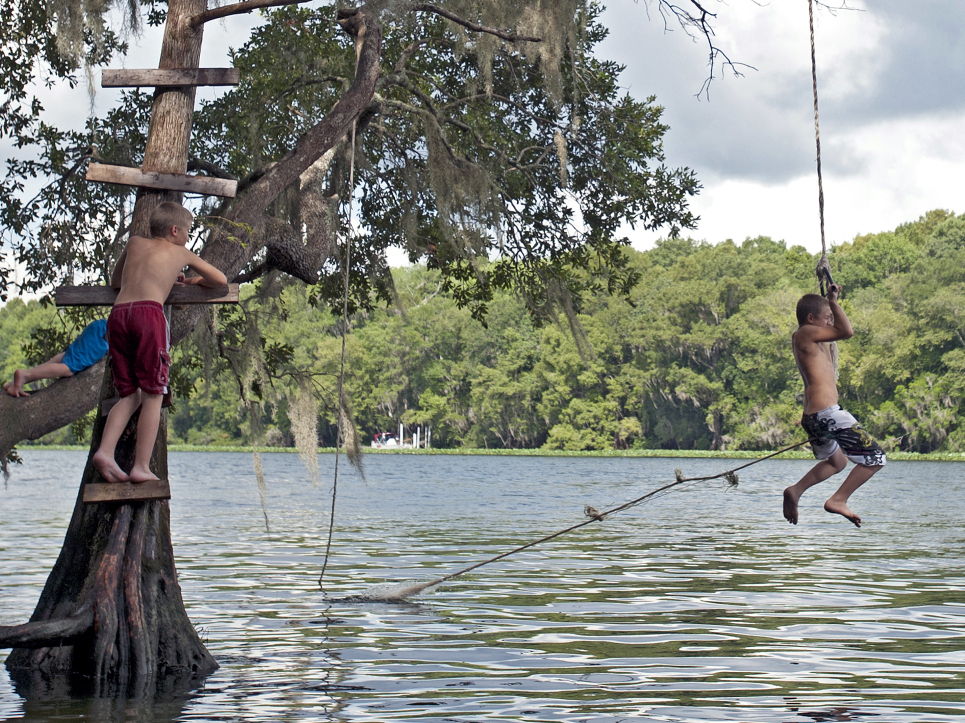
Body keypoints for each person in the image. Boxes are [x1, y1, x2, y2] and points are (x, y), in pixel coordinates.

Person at [92, 202, 227, 484]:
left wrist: (158, 275)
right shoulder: (181, 251)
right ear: (175, 230)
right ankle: (141, 466)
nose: (188, 237)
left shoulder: (134, 242)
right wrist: (192, 280)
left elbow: (117, 281)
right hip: (148, 315)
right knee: (154, 393)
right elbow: (221, 280)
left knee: (130, 394)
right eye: (188, 232)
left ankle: (105, 452)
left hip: (118, 315)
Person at [783, 285, 885, 528]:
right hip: (827, 414)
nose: (830, 321)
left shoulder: (816, 341)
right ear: (810, 319)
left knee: (837, 462)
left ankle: (796, 491)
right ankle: (838, 500)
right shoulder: (804, 333)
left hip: (814, 418)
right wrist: (832, 301)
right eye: (826, 317)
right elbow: (846, 331)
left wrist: (830, 302)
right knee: (876, 458)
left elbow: (836, 331)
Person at [3, 319, 108, 397]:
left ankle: (17, 382)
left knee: (64, 357)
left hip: (101, 326)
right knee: (69, 368)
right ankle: (24, 375)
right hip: (105, 336)